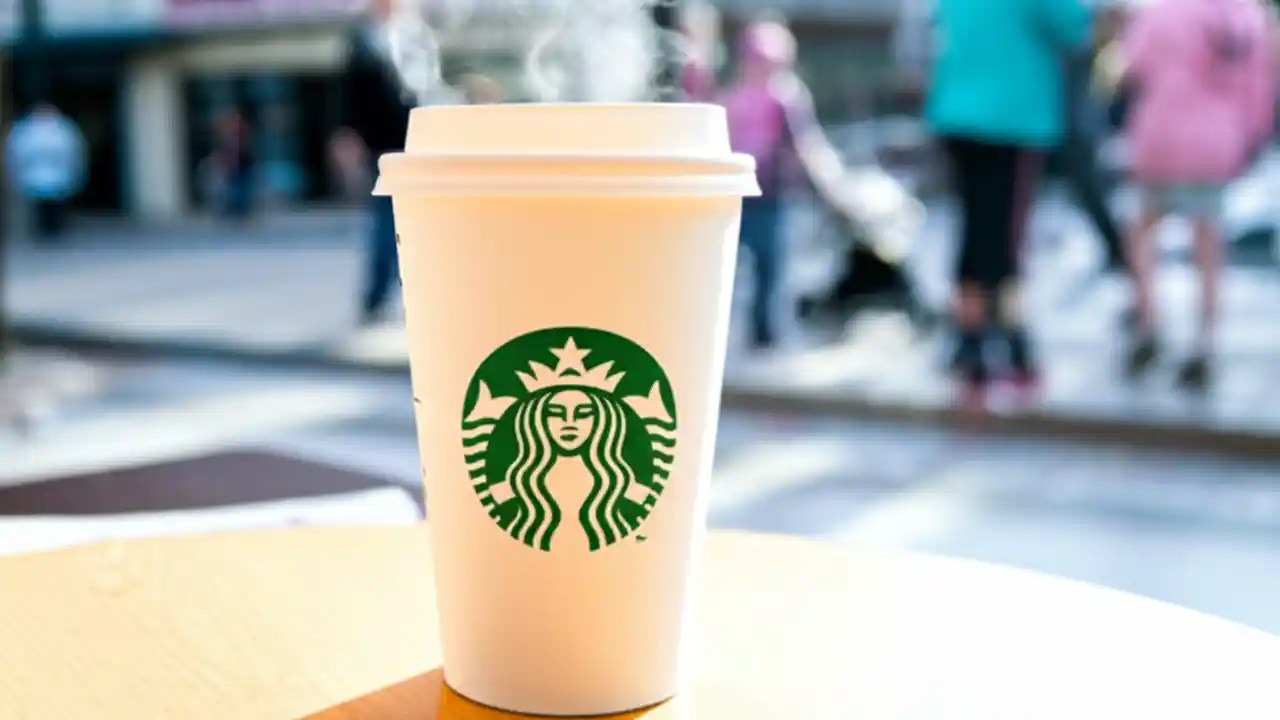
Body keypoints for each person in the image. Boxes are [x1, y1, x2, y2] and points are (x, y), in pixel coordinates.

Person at [927, 0, 1091, 390]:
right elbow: (1073, 25)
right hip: (1013, 113)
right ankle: (1009, 337)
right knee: (1006, 230)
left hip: (957, 108)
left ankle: (971, 335)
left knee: (974, 224)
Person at [1122, 0, 1274, 390]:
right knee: (1208, 239)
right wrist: (1248, 136)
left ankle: (1147, 324)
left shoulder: (1160, 11)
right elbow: (1260, 89)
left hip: (1160, 134)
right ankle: (1204, 341)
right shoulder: (1247, 16)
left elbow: (1133, 66)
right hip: (1216, 140)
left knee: (1142, 228)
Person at [721, 20, 862, 350]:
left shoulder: (780, 98)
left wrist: (831, 182)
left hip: (771, 194)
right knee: (755, 269)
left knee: (768, 270)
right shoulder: (741, 97)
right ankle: (758, 334)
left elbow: (805, 145)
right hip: (745, 194)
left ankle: (764, 334)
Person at [336, 0, 414, 326]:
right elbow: (352, 102)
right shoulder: (363, 44)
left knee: (403, 227)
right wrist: (351, 142)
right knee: (387, 227)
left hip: (406, 148)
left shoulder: (403, 39)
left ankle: (391, 296)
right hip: (382, 151)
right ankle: (377, 298)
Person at [4, 102, 86, 241]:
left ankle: (54, 230)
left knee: (55, 206)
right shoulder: (26, 129)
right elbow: (16, 152)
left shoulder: (63, 128)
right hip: (36, 175)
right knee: (40, 207)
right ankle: (44, 231)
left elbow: (73, 151)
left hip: (57, 175)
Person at [214, 108, 255, 222]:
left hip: (243, 166)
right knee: (232, 191)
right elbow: (224, 152)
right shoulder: (228, 135)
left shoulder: (243, 133)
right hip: (232, 168)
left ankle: (241, 213)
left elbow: (247, 150)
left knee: (242, 190)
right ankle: (231, 212)